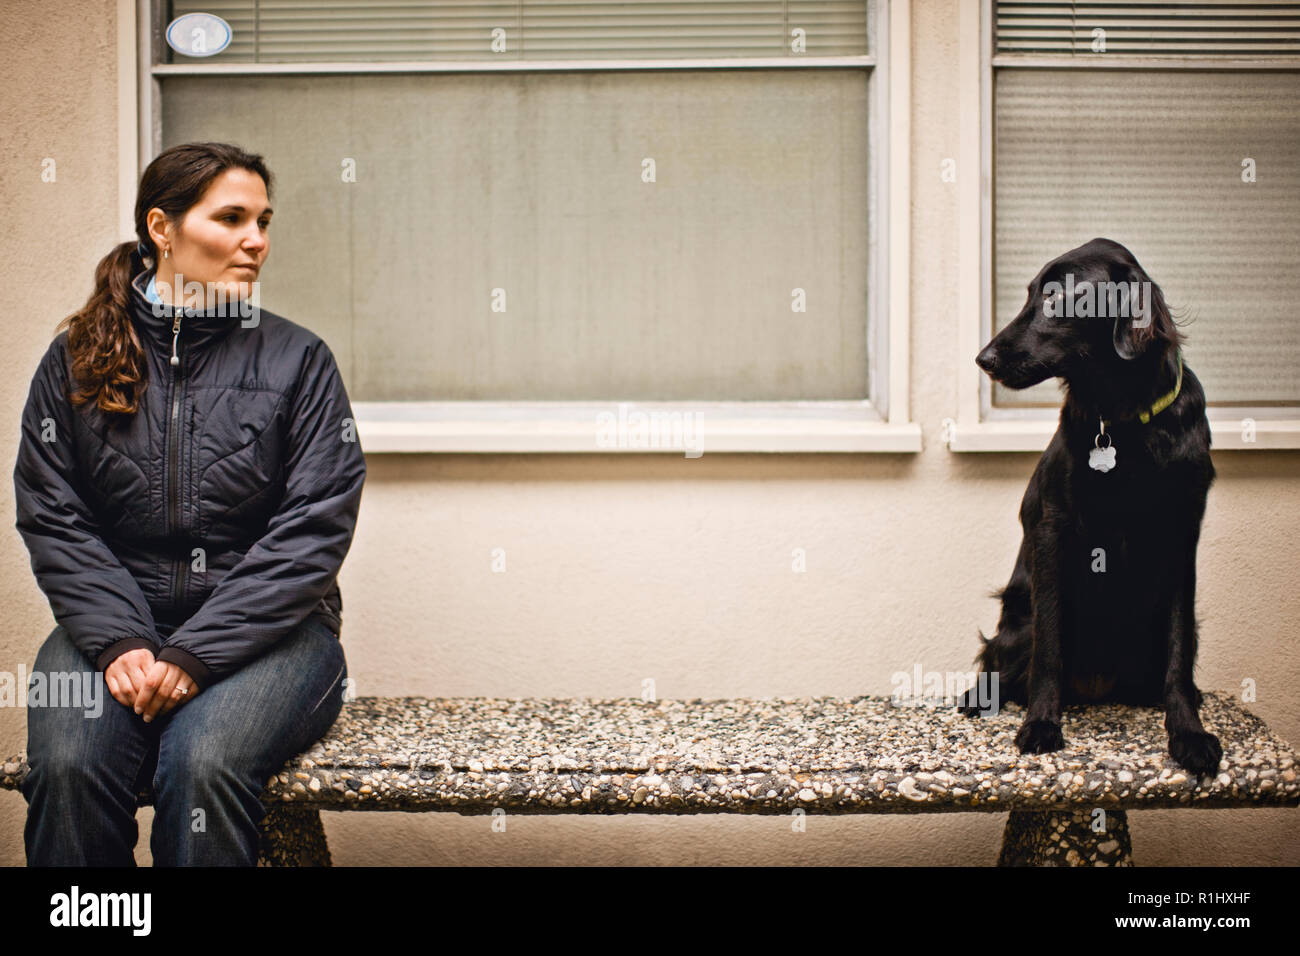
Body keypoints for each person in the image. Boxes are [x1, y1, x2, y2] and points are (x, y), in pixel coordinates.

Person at [15, 141, 367, 865]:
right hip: (112, 631)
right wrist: (121, 642)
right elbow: (54, 512)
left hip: (274, 637)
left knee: (205, 766)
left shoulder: (299, 360)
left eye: (264, 221)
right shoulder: (77, 359)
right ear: (162, 228)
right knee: (68, 770)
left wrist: (198, 652)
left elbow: (314, 528)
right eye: (232, 217)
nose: (256, 241)